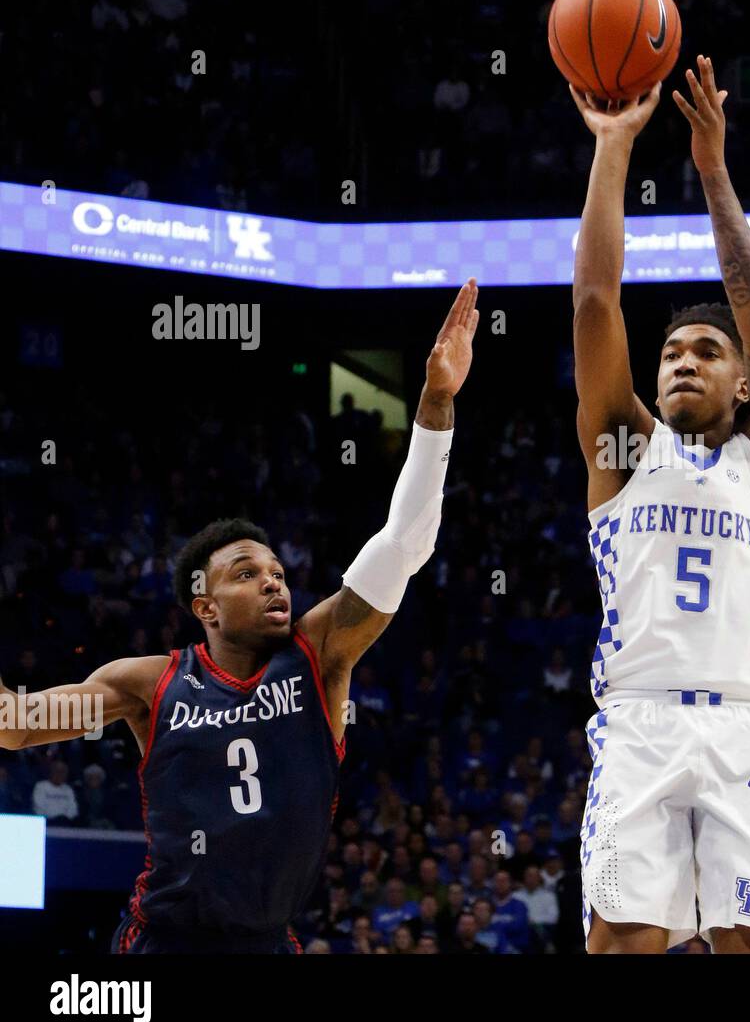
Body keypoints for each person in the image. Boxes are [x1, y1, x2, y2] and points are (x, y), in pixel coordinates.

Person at [0, 282, 481, 953]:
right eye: (247, 573)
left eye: (278, 571)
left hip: (265, 941)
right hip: (161, 940)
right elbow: (15, 724)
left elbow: (406, 543)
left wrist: (435, 401)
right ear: (206, 605)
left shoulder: (319, 652)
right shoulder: (149, 683)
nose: (273, 581)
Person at [567, 55, 750, 954]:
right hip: (639, 722)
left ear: (744, 384)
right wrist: (614, 146)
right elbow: (596, 301)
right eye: (672, 350)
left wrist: (713, 171)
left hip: (743, 724)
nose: (681, 360)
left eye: (706, 351)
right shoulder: (626, 452)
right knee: (625, 941)